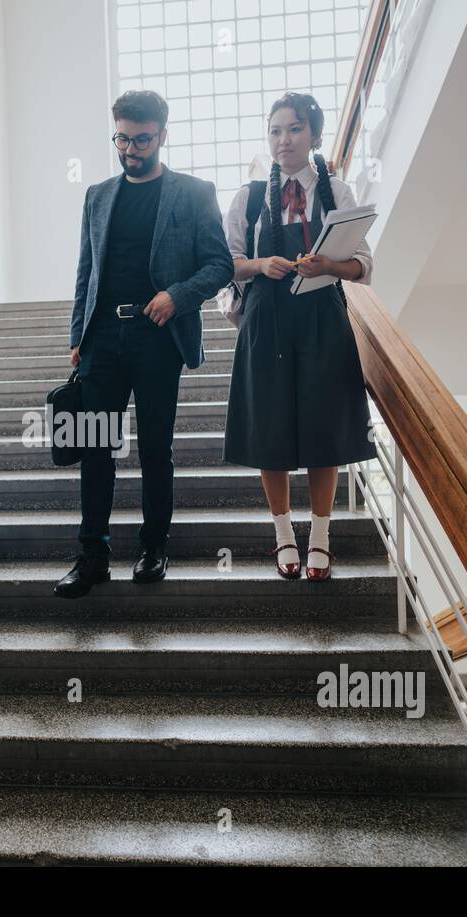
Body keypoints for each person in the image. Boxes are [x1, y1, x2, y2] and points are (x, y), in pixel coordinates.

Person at [55, 90, 234, 598]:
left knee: (156, 449)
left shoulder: (195, 192)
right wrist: (77, 336)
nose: (130, 149)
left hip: (158, 338)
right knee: (95, 448)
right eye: (122, 138)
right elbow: (85, 271)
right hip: (102, 339)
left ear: (162, 135)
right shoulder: (97, 195)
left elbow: (219, 265)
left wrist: (176, 297)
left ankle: (154, 547)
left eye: (141, 139)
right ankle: (93, 555)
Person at [223, 92, 377, 581]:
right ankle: (284, 534)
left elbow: (364, 264)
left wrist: (330, 264)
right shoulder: (247, 198)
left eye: (293, 129)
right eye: (275, 130)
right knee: (270, 426)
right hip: (265, 321)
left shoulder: (337, 191)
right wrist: (258, 265)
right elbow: (224, 263)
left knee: (323, 428)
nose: (283, 140)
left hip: (322, 319)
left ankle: (322, 538)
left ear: (313, 134)